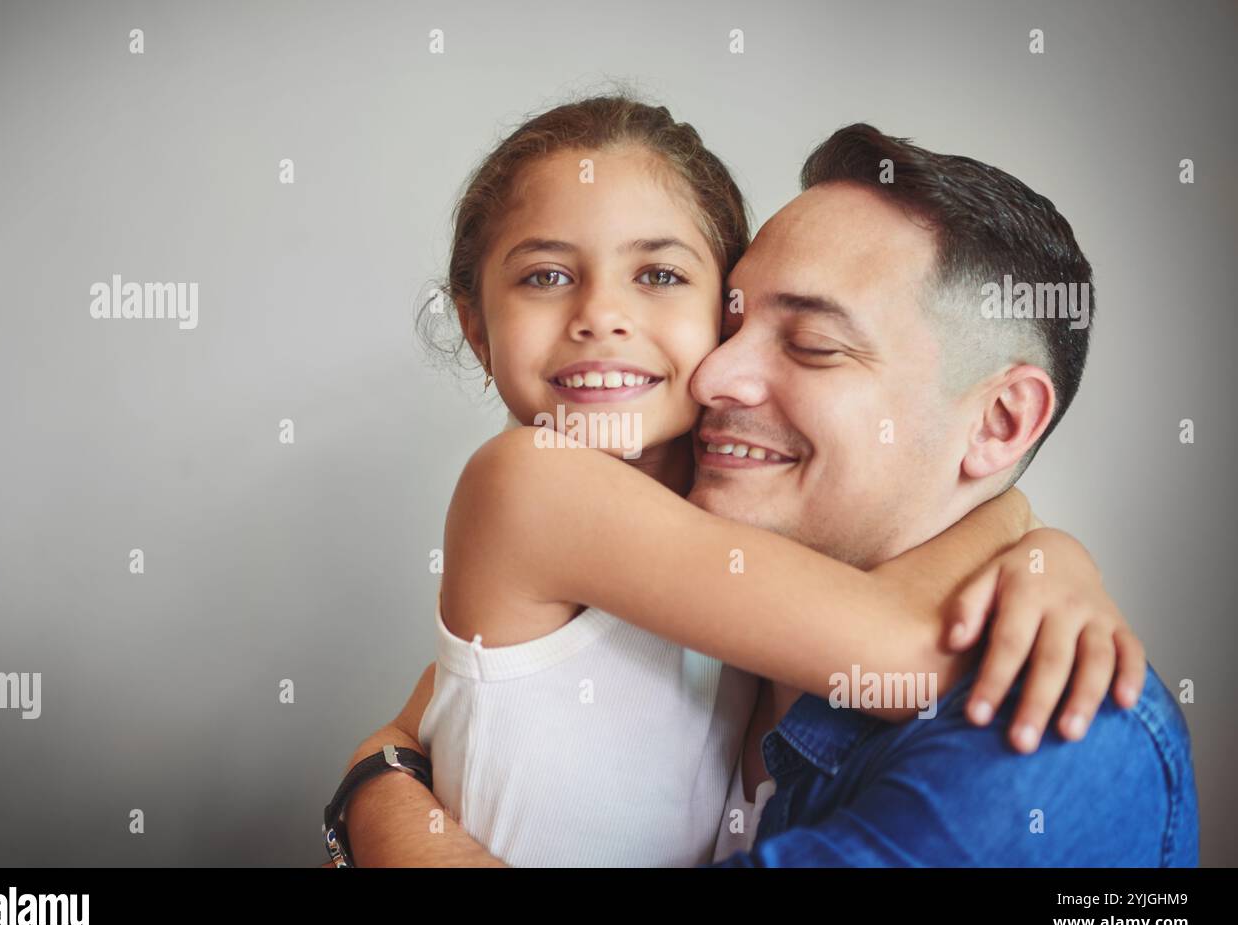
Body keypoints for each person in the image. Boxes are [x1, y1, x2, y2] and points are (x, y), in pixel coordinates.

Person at [337, 103, 1152, 867]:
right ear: (474, 326)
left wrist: (1041, 548)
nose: (601, 317)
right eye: (545, 276)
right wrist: (1032, 536)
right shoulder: (533, 483)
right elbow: (907, 647)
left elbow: (411, 731)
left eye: (659, 276)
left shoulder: (723, 530)